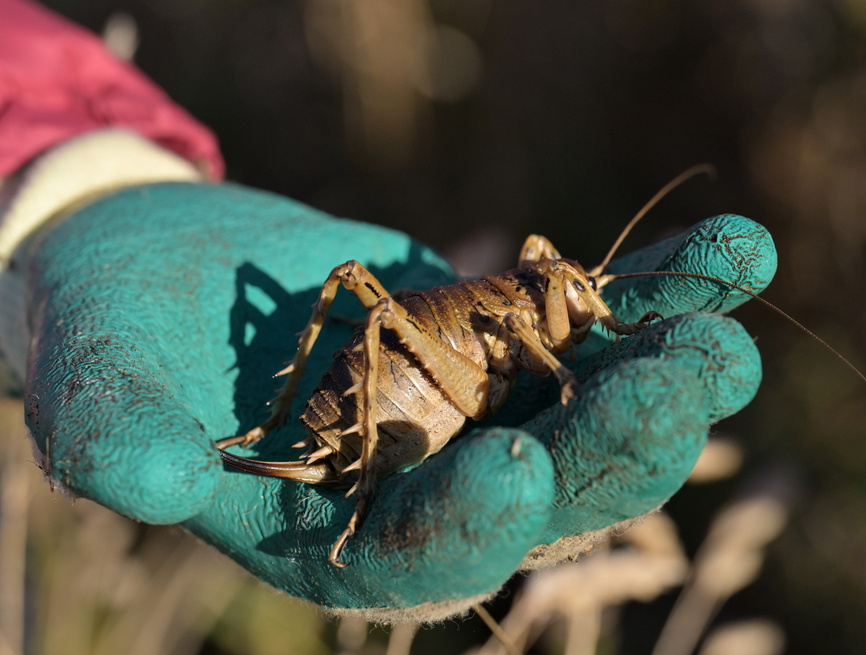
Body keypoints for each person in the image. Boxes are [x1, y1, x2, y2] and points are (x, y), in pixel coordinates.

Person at [0, 0, 775, 622]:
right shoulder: (521, 317)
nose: (581, 305)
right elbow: (507, 319)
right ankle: (307, 449)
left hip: (435, 363)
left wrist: (67, 166)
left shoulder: (543, 286)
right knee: (372, 302)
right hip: (402, 381)